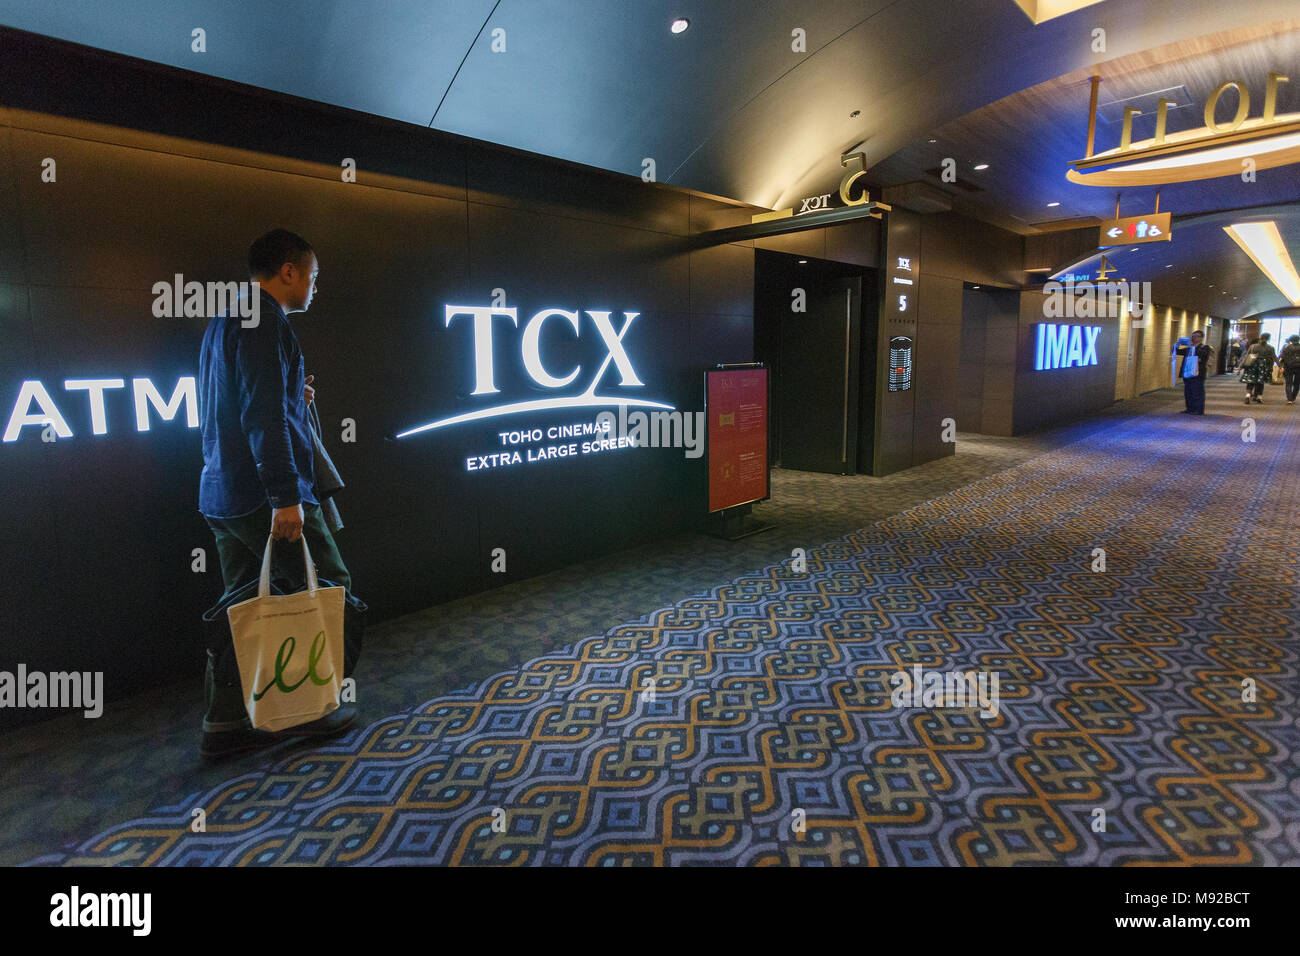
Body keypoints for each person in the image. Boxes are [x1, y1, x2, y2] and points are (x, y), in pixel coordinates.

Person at [197, 228, 356, 758]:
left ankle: (225, 723)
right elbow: (263, 417)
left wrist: (293, 395)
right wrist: (285, 498)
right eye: (313, 275)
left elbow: (239, 403)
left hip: (222, 491)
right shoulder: (265, 322)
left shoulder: (225, 318)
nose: (315, 285)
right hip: (263, 497)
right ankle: (308, 707)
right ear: (289, 271)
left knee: (243, 604)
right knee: (326, 584)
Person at [1177, 329, 1211, 414]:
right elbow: (1177, 351)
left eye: (1196, 336)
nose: (1194, 338)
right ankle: (1190, 408)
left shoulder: (1205, 347)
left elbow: (1201, 355)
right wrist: (1178, 343)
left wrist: (1192, 347)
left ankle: (1198, 410)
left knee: (1197, 392)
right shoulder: (1189, 348)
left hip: (1198, 373)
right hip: (1187, 372)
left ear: (1201, 338)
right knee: (1188, 392)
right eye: (1193, 336)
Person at [1239, 333, 1277, 404]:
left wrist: (1240, 367)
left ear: (1260, 337)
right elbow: (1274, 357)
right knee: (1261, 382)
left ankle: (1247, 396)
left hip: (1253, 365)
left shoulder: (1253, 346)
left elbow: (1246, 356)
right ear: (1268, 339)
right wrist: (1280, 366)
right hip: (1263, 366)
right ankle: (1259, 397)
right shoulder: (1270, 348)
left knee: (1251, 381)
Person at [1280, 333, 1300, 405]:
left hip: (1289, 367)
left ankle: (1289, 399)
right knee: (1297, 384)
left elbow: (1282, 357)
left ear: (1291, 340)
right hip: (1299, 367)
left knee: (1289, 383)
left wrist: (1281, 366)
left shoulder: (1287, 347)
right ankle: (1293, 397)